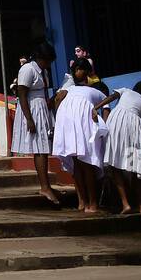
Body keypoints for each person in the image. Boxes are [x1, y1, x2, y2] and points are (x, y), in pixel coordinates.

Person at [50, 57, 106, 214]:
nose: (77, 72)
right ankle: (83, 201)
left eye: (80, 69)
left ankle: (91, 203)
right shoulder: (67, 89)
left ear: (88, 72)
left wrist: (104, 130)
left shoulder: (95, 91)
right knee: (77, 166)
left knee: (86, 164)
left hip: (83, 126)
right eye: (75, 69)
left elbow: (106, 109)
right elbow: (56, 101)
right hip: (68, 126)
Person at [100, 81, 141, 215]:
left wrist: (96, 107)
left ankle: (126, 204)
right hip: (134, 127)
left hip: (116, 121)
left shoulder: (126, 90)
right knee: (134, 168)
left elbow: (111, 97)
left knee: (114, 164)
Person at [12, 42, 60, 207]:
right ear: (40, 58)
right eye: (47, 61)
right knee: (39, 149)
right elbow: (22, 94)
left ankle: (47, 185)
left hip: (42, 108)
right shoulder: (28, 69)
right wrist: (29, 119)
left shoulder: (43, 71)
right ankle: (44, 187)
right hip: (32, 109)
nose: (48, 64)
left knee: (44, 148)